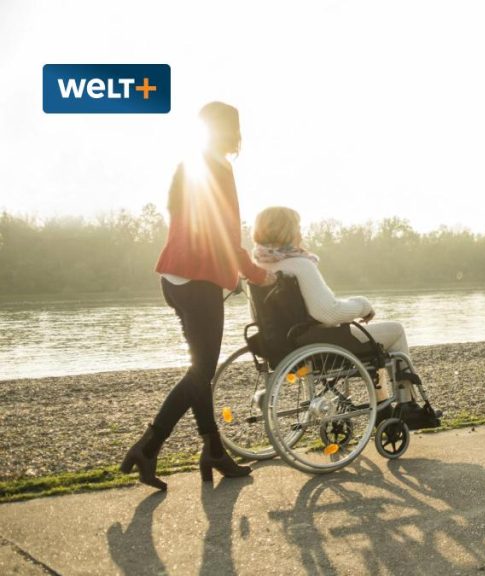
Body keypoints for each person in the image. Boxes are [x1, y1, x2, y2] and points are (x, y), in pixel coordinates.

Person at [121, 102, 276, 491]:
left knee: (200, 371)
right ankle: (149, 445)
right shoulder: (220, 169)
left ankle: (213, 450)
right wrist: (257, 274)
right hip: (199, 281)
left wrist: (229, 273)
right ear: (232, 132)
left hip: (175, 279)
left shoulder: (187, 166)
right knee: (201, 372)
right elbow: (224, 233)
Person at [250, 206, 423, 419]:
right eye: (298, 227)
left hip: (283, 347)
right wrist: (362, 305)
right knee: (394, 331)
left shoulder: (259, 268)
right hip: (318, 345)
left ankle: (384, 407)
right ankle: (408, 406)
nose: (301, 232)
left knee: (372, 341)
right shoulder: (299, 265)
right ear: (289, 232)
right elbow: (328, 313)